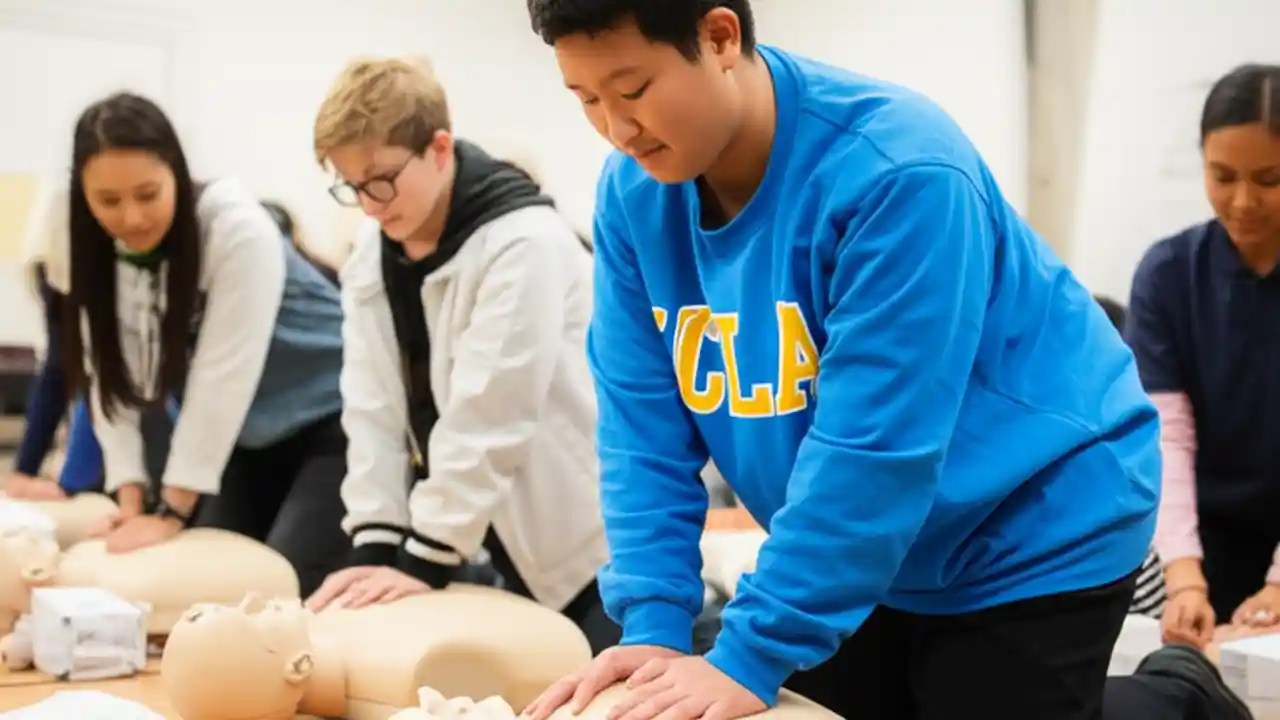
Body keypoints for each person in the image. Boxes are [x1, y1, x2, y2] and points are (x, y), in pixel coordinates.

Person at [522, 2, 1159, 719]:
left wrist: (751, 653)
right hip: (865, 539)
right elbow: (641, 434)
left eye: (633, 91)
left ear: (719, 36)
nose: (617, 128)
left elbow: (876, 446)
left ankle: (1177, 696)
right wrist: (655, 626)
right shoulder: (633, 197)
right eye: (586, 100)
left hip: (1029, 521)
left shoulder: (898, 169)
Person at [302, 57, 618, 655]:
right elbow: (371, 407)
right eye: (351, 186)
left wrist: (422, 560)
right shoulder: (375, 251)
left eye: (381, 180)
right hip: (476, 528)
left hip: (584, 538)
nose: (369, 204)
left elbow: (490, 414)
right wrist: (374, 543)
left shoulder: (525, 242)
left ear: (439, 148)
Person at [47, 91, 350, 597]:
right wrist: (131, 504)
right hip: (251, 440)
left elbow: (222, 376)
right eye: (108, 201)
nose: (131, 218)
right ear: (83, 195)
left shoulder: (236, 229)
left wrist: (172, 509)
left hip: (335, 425)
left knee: (276, 587)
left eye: (148, 194)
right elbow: (111, 380)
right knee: (206, 587)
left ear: (176, 173)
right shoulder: (100, 250)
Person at [1126, 64, 1280, 650]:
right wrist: (1185, 576)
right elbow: (1168, 436)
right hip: (1204, 534)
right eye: (1222, 175)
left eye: (1269, 179)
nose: (1243, 201)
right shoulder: (1169, 274)